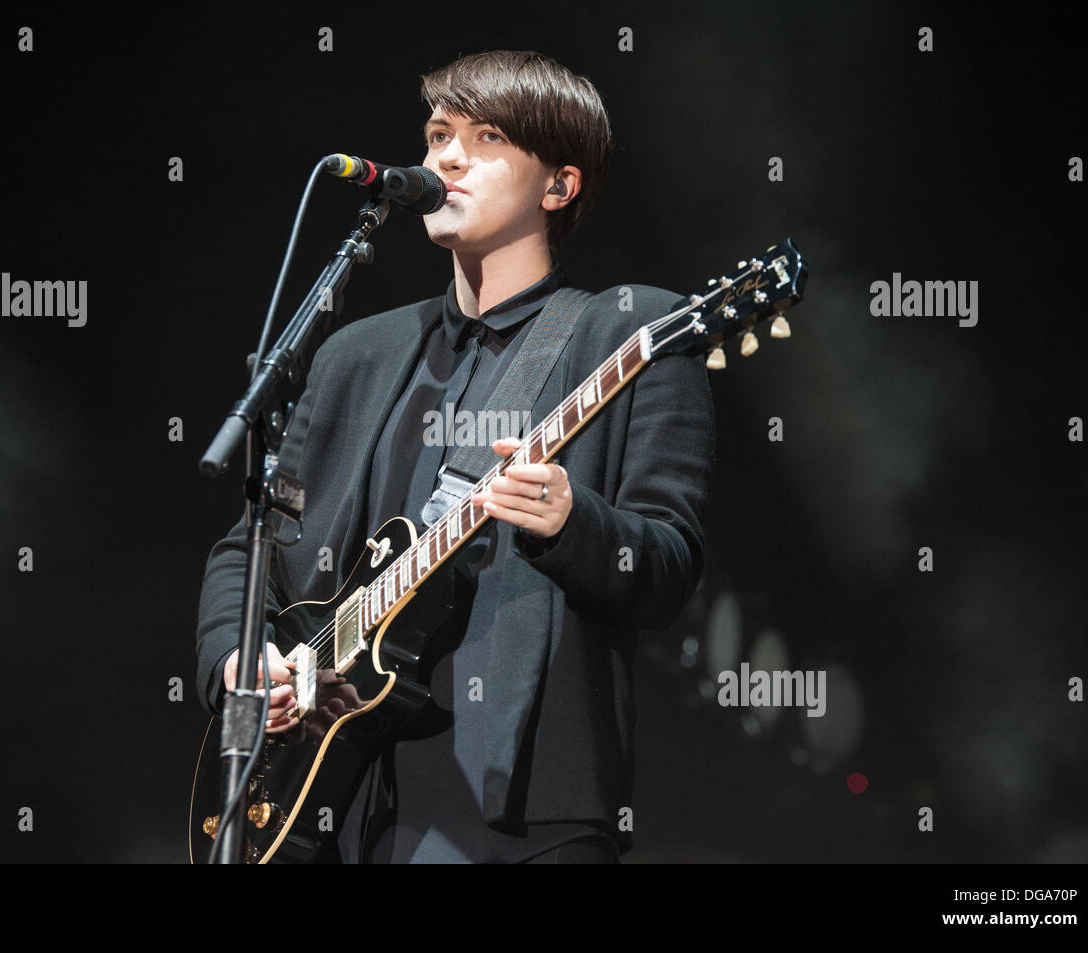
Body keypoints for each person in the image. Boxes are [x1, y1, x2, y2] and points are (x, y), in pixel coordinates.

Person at [195, 49, 716, 863]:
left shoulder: (631, 334)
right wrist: (238, 656)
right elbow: (252, 545)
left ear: (558, 186)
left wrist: (571, 521)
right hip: (340, 792)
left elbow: (669, 566)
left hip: (526, 810)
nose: (446, 156)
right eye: (438, 135)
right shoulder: (357, 355)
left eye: (487, 136)